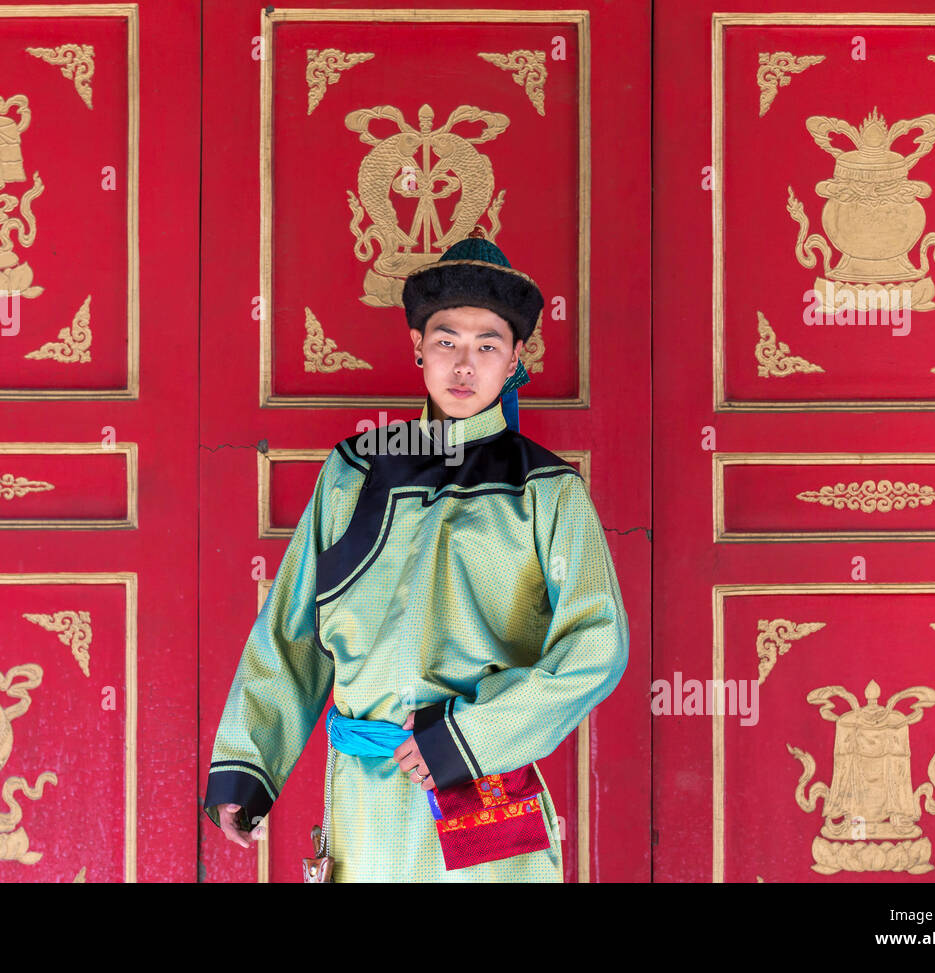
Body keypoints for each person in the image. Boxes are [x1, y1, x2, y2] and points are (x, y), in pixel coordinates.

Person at [202, 227, 630, 881]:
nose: (465, 365)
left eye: (487, 346)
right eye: (447, 342)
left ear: (515, 357)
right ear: (417, 350)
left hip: (482, 779)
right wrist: (248, 760)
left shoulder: (546, 490)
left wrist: (472, 737)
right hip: (365, 792)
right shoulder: (352, 471)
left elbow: (597, 647)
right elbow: (293, 631)